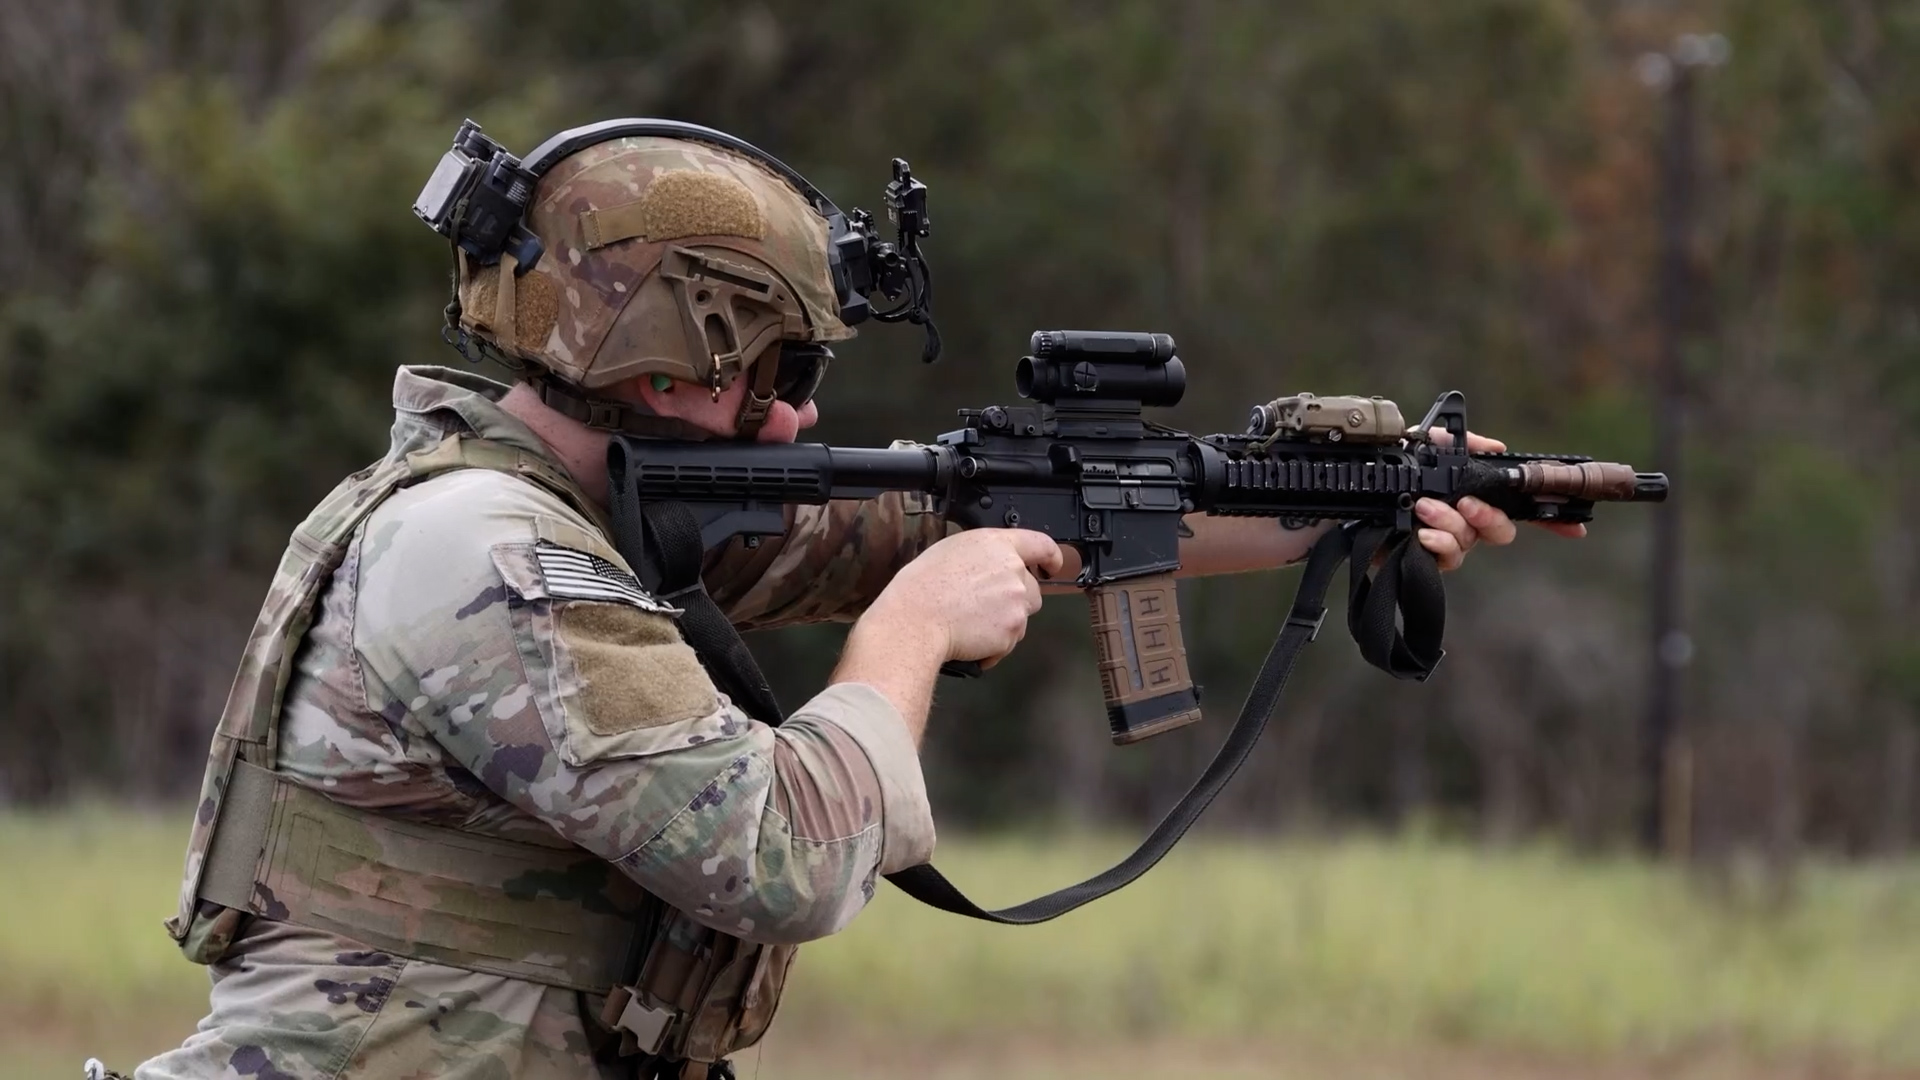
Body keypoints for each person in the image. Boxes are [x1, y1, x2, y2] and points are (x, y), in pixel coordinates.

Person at [124, 122, 1571, 1080]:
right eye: (784, 368)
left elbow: (948, 522)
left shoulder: (567, 516)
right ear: (673, 357)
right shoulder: (491, 555)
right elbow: (782, 857)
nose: (800, 413)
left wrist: (1351, 496)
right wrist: (911, 637)